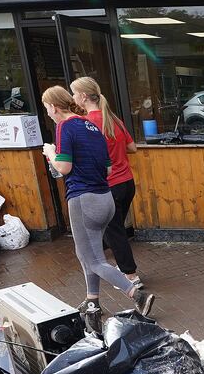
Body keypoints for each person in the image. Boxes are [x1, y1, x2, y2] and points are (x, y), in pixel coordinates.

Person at [41, 85, 142, 328]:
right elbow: (107, 168)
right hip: (105, 197)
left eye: (47, 109)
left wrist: (51, 153)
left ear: (54, 107)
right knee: (86, 254)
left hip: (83, 199)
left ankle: (137, 294)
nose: (48, 114)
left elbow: (64, 168)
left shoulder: (64, 126)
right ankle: (92, 301)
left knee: (95, 260)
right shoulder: (92, 125)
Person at [70, 75, 142, 292]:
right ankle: (109, 266)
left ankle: (131, 276)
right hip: (127, 183)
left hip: (108, 185)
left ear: (83, 96)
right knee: (111, 228)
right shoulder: (113, 119)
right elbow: (132, 148)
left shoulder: (87, 123)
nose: (73, 97)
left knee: (114, 231)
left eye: (74, 93)